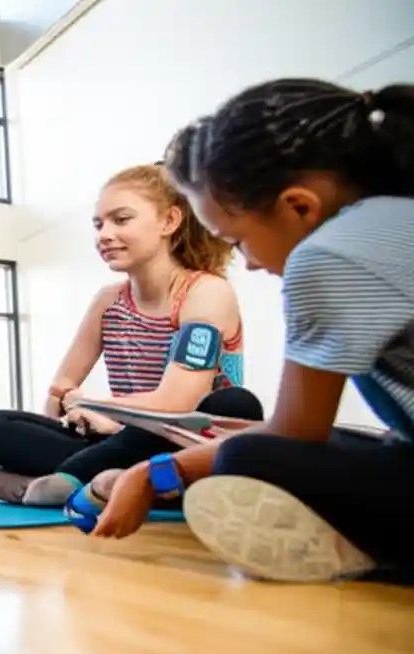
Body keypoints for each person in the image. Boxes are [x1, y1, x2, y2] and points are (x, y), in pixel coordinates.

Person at [87, 79, 414, 584]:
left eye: (237, 240)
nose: (252, 263)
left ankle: (368, 543)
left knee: (247, 452)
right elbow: (305, 427)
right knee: (340, 441)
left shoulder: (330, 255)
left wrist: (155, 472)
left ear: (299, 206)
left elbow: (293, 433)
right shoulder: (394, 214)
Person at [0, 163, 262, 506]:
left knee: (236, 404)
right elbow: (61, 388)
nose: (104, 234)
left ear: (169, 221)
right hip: (123, 439)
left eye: (121, 220)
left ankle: (64, 479)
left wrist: (100, 408)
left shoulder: (206, 292)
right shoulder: (108, 301)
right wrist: (67, 420)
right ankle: (118, 483)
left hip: (187, 439)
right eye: (99, 224)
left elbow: (178, 402)